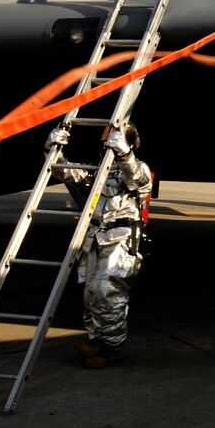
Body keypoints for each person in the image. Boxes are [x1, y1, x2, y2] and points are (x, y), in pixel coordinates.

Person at [45, 121, 152, 369]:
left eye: (113, 137)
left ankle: (110, 346)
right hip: (94, 237)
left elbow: (139, 180)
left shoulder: (137, 168)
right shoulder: (97, 171)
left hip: (121, 239)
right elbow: (65, 172)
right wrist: (53, 149)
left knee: (108, 292)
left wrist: (125, 154)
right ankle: (96, 338)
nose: (106, 142)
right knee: (92, 292)